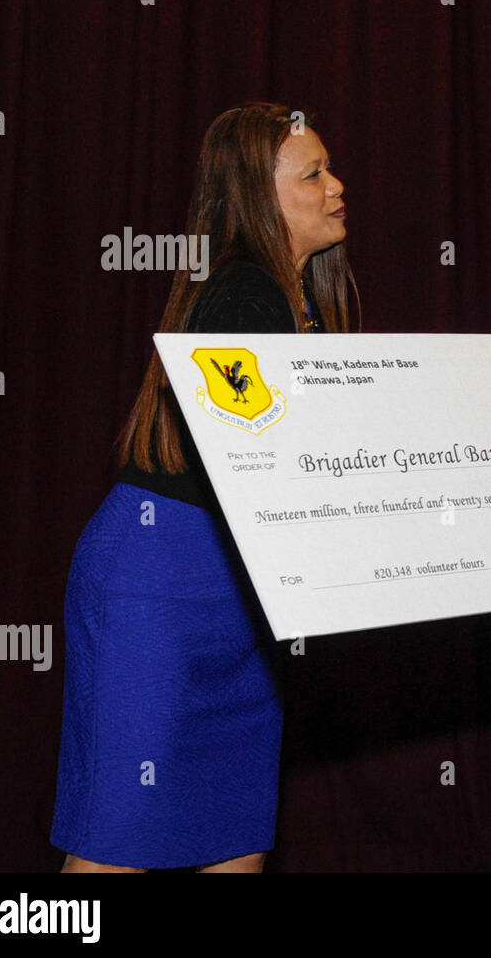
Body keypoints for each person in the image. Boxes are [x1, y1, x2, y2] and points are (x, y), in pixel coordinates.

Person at [52, 103, 354, 872]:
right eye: (313, 174)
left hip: (237, 603)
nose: (336, 185)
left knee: (233, 843)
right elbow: (263, 466)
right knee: (111, 854)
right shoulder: (243, 295)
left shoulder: (298, 301)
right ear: (258, 191)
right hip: (157, 591)